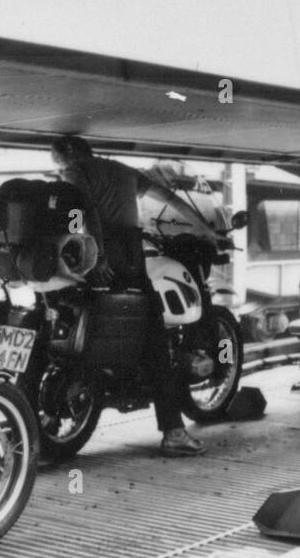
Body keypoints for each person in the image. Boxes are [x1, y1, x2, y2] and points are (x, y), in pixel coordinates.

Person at [49, 134, 204, 457]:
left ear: (73, 154)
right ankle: (173, 430)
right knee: (154, 334)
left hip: (101, 249)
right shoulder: (122, 170)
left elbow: (84, 212)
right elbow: (166, 196)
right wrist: (203, 227)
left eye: (58, 162)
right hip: (128, 252)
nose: (59, 170)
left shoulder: (77, 171)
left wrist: (98, 254)